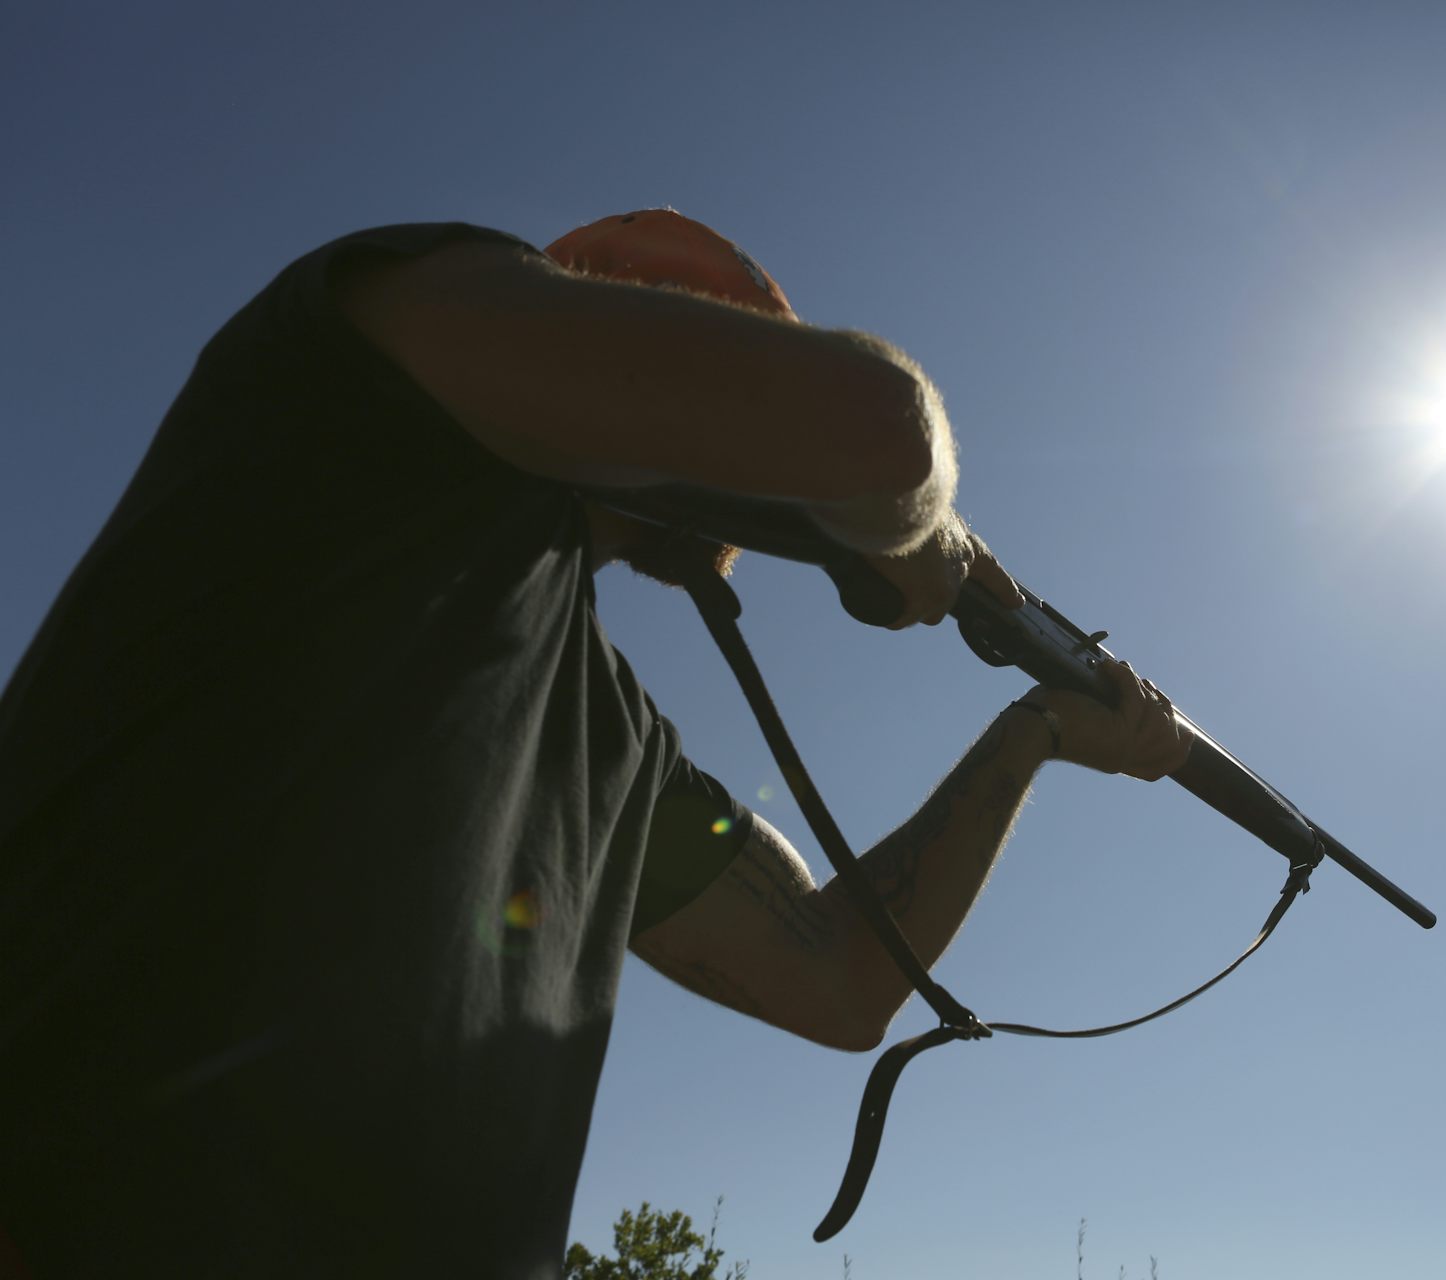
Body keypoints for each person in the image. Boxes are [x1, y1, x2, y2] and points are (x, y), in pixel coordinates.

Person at [0, 211, 1191, 1277]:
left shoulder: (609, 734)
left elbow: (839, 975)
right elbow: (875, 434)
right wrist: (936, 536)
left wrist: (1031, 731)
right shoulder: (352, 367)